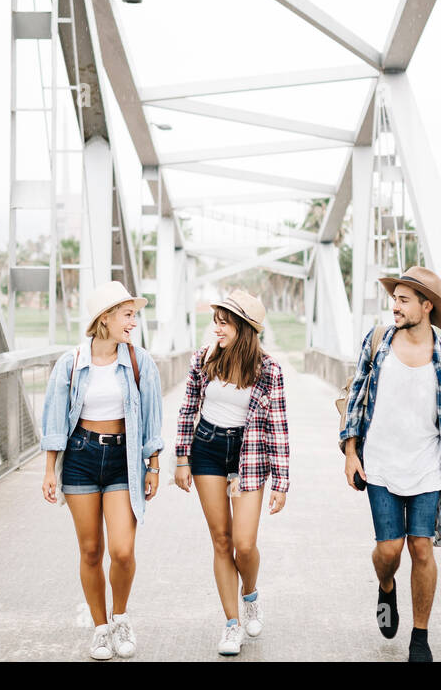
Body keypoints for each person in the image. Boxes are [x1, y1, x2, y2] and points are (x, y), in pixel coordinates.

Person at [339, 266, 441, 662]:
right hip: (379, 463)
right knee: (389, 550)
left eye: (403, 299)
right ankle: (385, 588)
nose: (394, 306)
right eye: (394, 298)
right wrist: (350, 451)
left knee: (421, 549)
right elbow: (357, 396)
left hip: (428, 467)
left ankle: (420, 637)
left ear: (426, 306)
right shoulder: (378, 342)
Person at [41, 281, 164, 660]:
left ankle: (121, 617)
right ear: (105, 318)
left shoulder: (140, 362)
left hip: (122, 459)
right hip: (80, 456)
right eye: (127, 315)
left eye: (134, 315)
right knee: (91, 550)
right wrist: (49, 470)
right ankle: (99, 628)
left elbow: (152, 418)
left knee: (123, 551)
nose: (133, 322)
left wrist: (153, 464)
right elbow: (55, 419)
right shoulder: (72, 363)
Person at [174, 289, 289, 657]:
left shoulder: (269, 370)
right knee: (221, 540)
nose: (216, 329)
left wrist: (282, 482)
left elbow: (279, 426)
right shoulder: (203, 360)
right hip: (206, 448)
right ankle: (231, 624)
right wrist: (181, 458)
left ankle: (250, 594)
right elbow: (188, 407)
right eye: (215, 322)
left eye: (223, 323)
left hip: (248, 456)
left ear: (243, 328)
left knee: (244, 543)